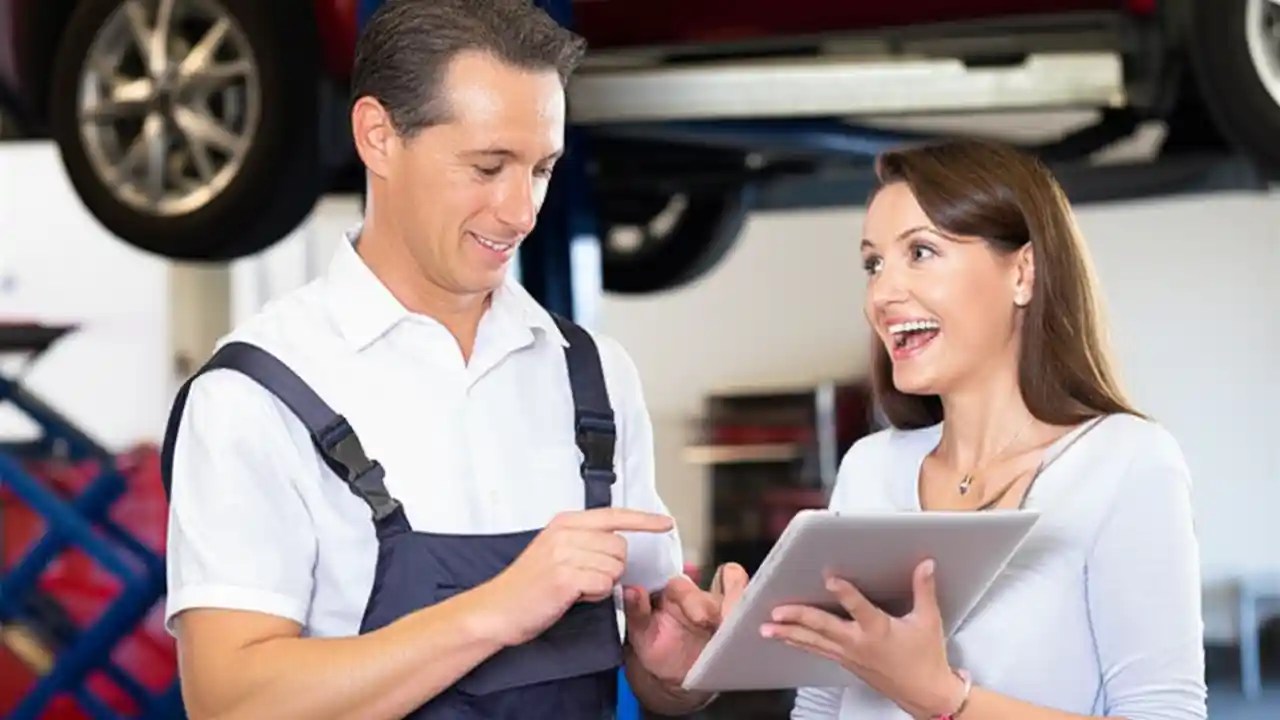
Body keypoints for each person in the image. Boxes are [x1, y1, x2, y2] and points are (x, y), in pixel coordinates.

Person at [159, 1, 746, 718]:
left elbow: (649, 660)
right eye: (487, 166)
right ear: (377, 137)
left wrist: (678, 673)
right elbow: (230, 702)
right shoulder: (256, 393)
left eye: (542, 169)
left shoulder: (593, 376)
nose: (521, 211)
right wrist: (496, 610)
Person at [770, 140, 1207, 719]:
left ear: (1023, 273)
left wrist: (943, 698)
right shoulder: (869, 468)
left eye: (921, 252)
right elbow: (819, 708)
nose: (882, 294)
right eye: (873, 264)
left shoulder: (1124, 461)